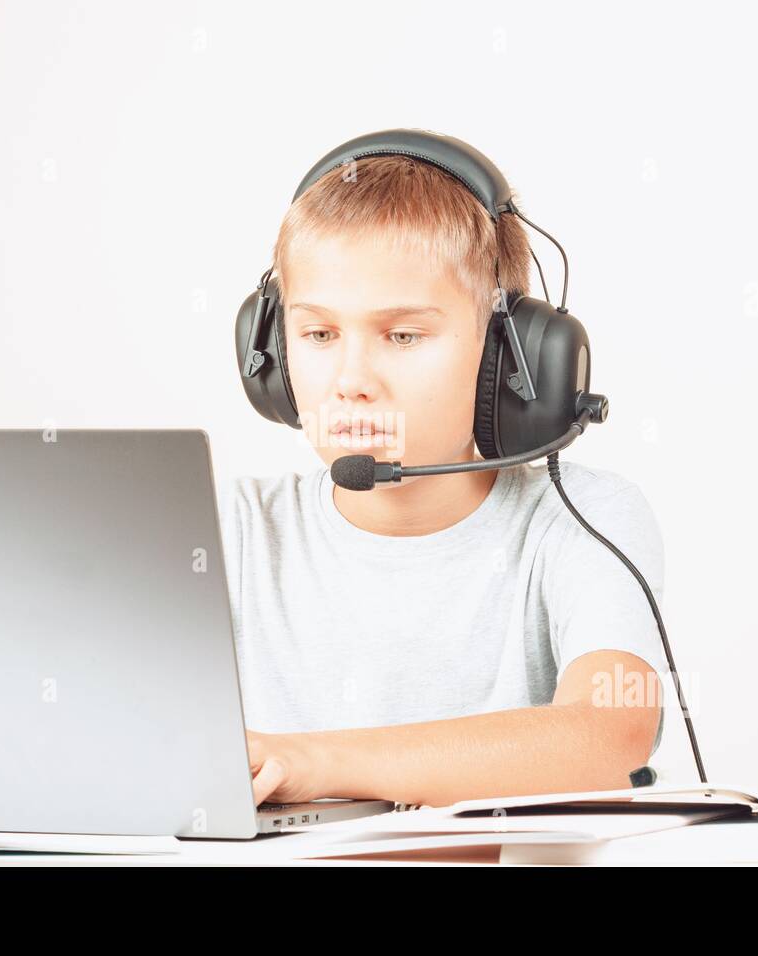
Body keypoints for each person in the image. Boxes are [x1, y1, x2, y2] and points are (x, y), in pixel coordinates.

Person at [221, 152, 672, 808]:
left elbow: (610, 736)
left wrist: (311, 762)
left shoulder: (584, 517)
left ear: (508, 360)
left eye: (402, 336)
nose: (351, 381)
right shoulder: (229, 530)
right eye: (317, 333)